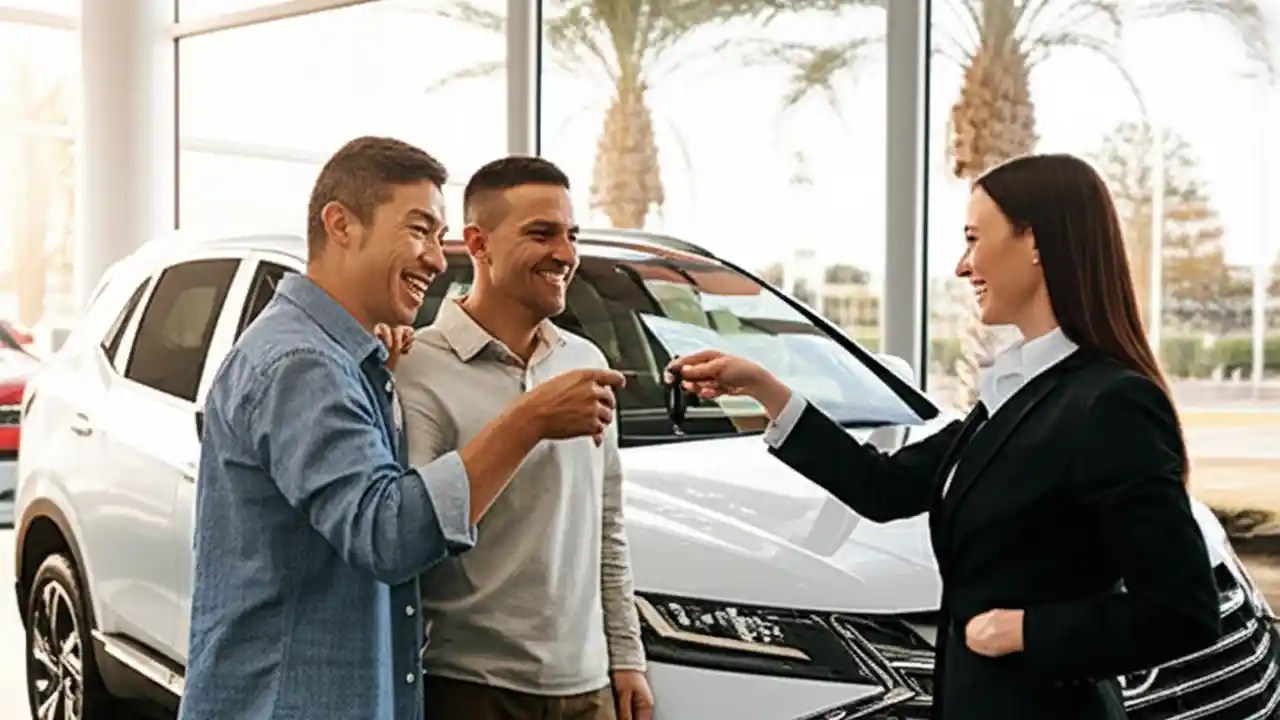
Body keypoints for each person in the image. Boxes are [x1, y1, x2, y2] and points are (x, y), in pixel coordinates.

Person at [665, 153, 1221, 720]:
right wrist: (765, 389)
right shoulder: (1016, 389)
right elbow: (881, 488)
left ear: (1037, 242)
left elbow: (1182, 611)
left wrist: (1025, 631)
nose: (962, 266)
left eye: (975, 239)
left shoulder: (1111, 404)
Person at [179, 137, 625, 720]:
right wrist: (529, 419)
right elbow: (387, 535)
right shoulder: (302, 365)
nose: (438, 261)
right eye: (418, 230)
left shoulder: (347, 362)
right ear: (341, 224)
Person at [393, 156, 654, 720]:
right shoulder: (415, 368)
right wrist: (528, 420)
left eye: (570, 235)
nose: (565, 253)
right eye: (541, 233)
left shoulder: (585, 362)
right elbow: (410, 538)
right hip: (470, 688)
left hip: (587, 690)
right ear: (479, 244)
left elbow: (605, 524)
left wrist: (625, 658)